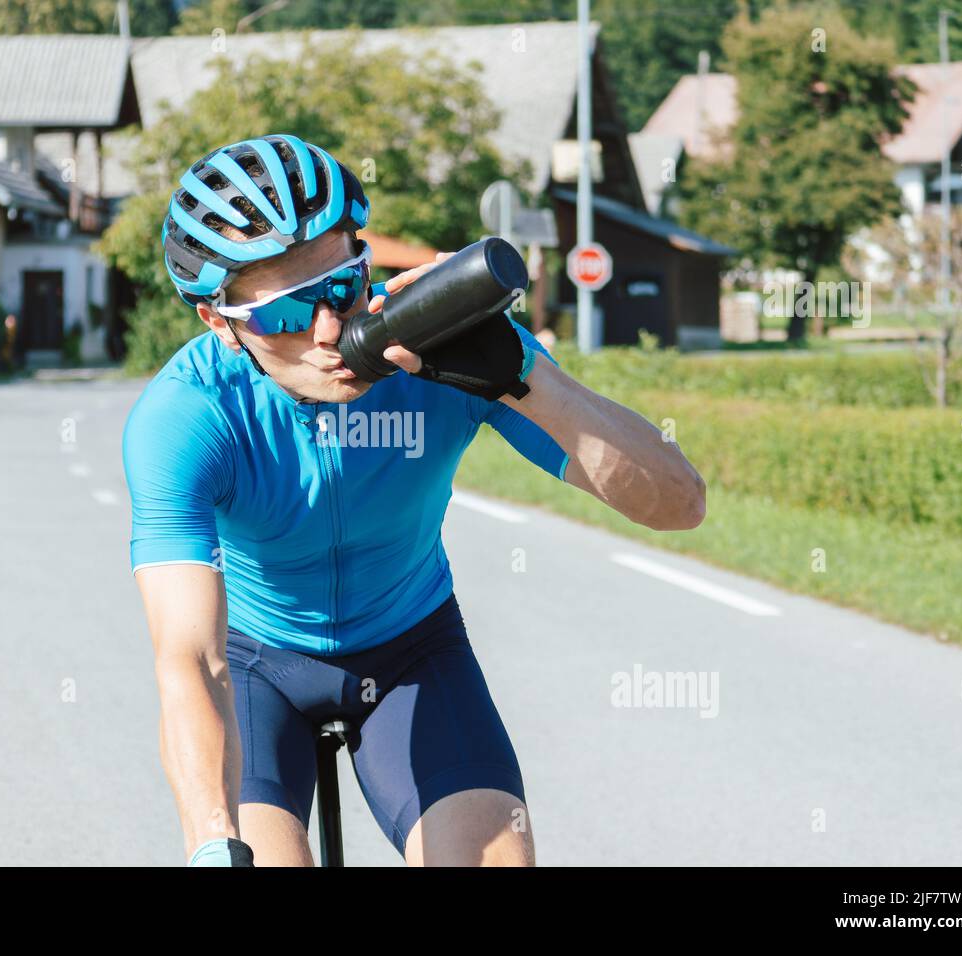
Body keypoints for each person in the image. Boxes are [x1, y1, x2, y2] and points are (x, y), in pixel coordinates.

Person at [123, 135, 706, 867]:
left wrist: (529, 378)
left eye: (341, 287)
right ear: (222, 324)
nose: (329, 331)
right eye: (283, 314)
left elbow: (679, 504)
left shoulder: (439, 352)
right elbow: (191, 660)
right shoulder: (185, 416)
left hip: (412, 649)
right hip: (256, 664)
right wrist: (211, 841)